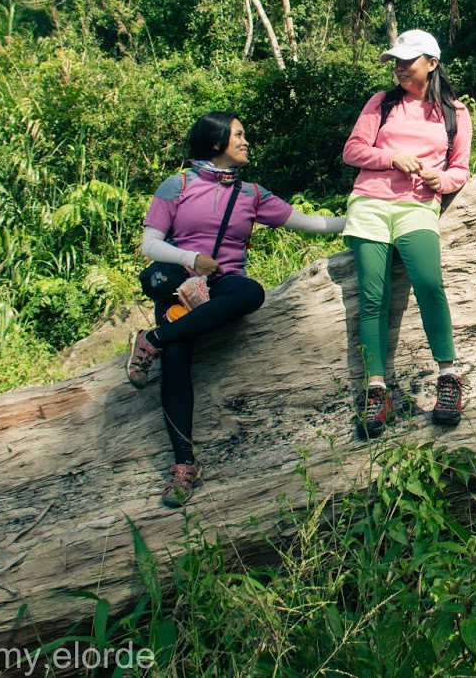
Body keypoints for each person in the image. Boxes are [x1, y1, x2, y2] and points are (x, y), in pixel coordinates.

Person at [127, 111, 345, 507]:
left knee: (250, 292)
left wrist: (361, 220)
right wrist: (191, 258)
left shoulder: (251, 194)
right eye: (239, 135)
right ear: (216, 142)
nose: (246, 142)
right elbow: (151, 244)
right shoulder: (177, 186)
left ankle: (152, 339)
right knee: (176, 356)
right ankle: (184, 464)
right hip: (180, 286)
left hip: (222, 286)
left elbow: (308, 222)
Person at [341, 29, 472, 437]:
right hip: (370, 204)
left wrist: (440, 180)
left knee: (429, 284)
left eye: (407, 61)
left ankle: (448, 377)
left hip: (417, 205)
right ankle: (377, 388)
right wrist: (392, 157)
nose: (399, 68)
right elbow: (352, 150)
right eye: (395, 61)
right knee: (372, 298)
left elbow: (460, 169)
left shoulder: (455, 112)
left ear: (431, 63)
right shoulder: (381, 103)